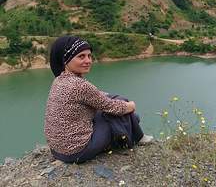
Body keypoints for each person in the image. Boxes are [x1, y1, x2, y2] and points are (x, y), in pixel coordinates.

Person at [44, 35, 153, 163]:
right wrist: (131, 106)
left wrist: (115, 99)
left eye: (89, 56)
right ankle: (139, 136)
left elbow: (97, 97)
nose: (88, 60)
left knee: (117, 103)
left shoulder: (59, 80)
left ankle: (134, 126)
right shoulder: (80, 85)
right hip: (77, 152)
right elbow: (113, 108)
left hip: (57, 150)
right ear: (66, 60)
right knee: (117, 113)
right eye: (81, 56)